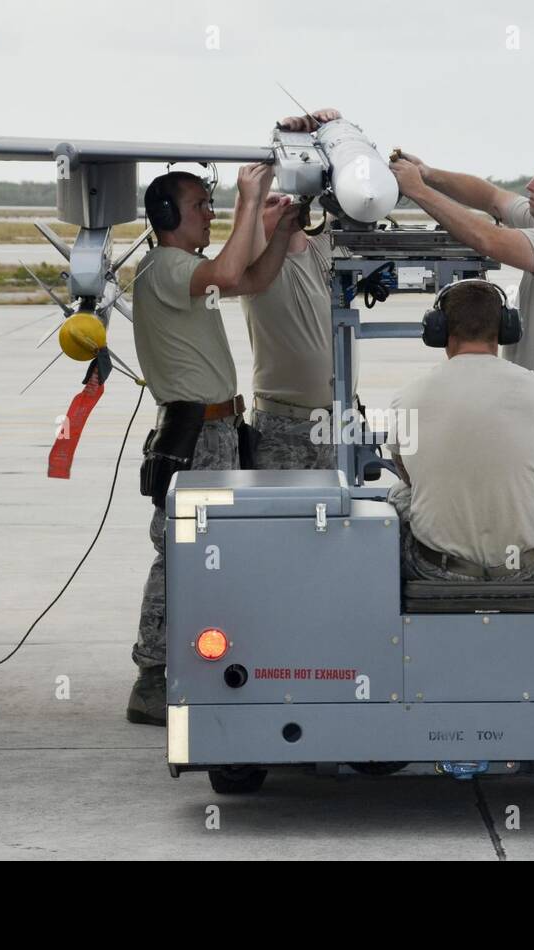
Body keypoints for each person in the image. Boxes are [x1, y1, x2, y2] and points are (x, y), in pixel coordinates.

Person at [128, 161, 303, 725]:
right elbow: (231, 276)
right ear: (166, 216)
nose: (208, 215)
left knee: (207, 554)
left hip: (218, 430)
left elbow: (251, 279)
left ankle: (189, 663)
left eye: (211, 205)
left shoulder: (189, 269)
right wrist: (250, 202)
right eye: (201, 206)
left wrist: (276, 232)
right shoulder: (167, 267)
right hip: (194, 432)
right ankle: (152, 677)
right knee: (175, 553)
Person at [388, 149, 534, 482]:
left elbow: (487, 238)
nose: (530, 185)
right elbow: (491, 197)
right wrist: (428, 174)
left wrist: (418, 191)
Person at [386, 280, 534, 582]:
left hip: (440, 572)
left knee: (400, 493)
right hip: (527, 570)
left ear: (439, 330)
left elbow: (407, 475)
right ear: (506, 329)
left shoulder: (408, 397)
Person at [240, 107, 355, 470]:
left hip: (338, 420)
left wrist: (327, 132)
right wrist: (282, 142)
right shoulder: (257, 266)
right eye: (274, 202)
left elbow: (350, 200)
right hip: (282, 424)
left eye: (288, 197)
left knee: (338, 519)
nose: (287, 201)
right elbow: (250, 199)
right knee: (281, 521)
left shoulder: (326, 247)